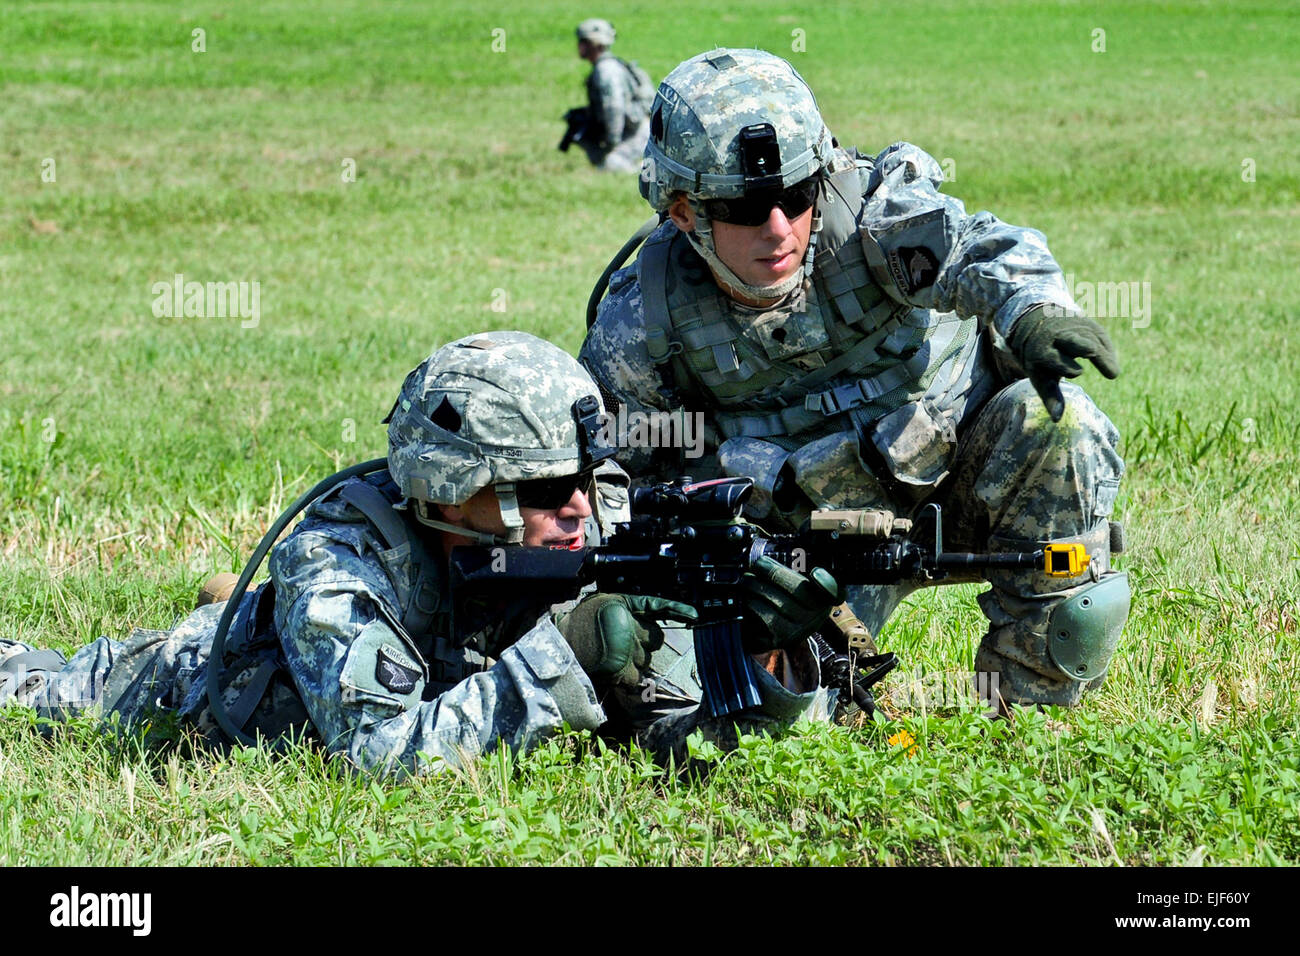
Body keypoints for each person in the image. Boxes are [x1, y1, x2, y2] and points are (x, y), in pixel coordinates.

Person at [0, 332, 836, 776]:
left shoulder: (597, 520)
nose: (581, 507)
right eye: (543, 489)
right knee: (30, 687)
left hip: (420, 657)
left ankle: (222, 602)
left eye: (588, 475)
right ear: (446, 492)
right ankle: (218, 619)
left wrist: (763, 658)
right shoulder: (339, 560)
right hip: (186, 688)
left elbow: (670, 736)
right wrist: (564, 655)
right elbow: (378, 759)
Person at [580, 49, 1130, 711]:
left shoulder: (872, 213)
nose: (778, 228)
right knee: (770, 723)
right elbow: (612, 486)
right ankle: (828, 694)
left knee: (1060, 422)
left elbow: (972, 246)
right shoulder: (642, 323)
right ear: (683, 211)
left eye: (795, 195)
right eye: (747, 208)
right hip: (801, 551)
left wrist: (1035, 310)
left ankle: (1030, 718)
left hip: (957, 482)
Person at [564, 18, 653, 173]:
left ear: (594, 43)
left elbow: (615, 110)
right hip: (629, 129)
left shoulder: (606, 71)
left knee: (608, 165)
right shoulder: (605, 67)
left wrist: (611, 144)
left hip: (637, 133)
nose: (579, 45)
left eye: (583, 41)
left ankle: (643, 170)